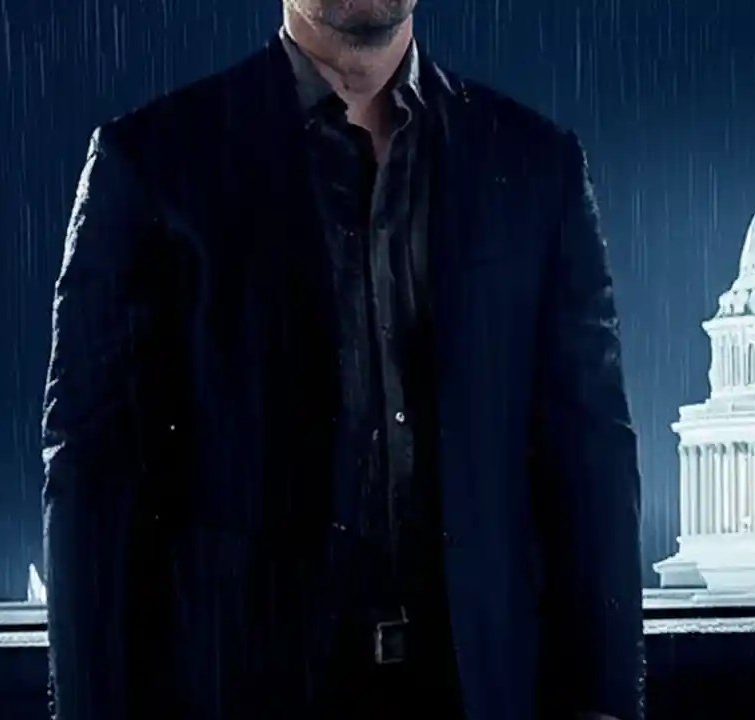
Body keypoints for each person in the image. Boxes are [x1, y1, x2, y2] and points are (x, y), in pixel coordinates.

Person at [40, 0, 644, 718]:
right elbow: (93, 478)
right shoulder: (153, 163)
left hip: (480, 691)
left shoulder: (536, 166)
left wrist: (605, 701)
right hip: (243, 692)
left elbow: (590, 456)